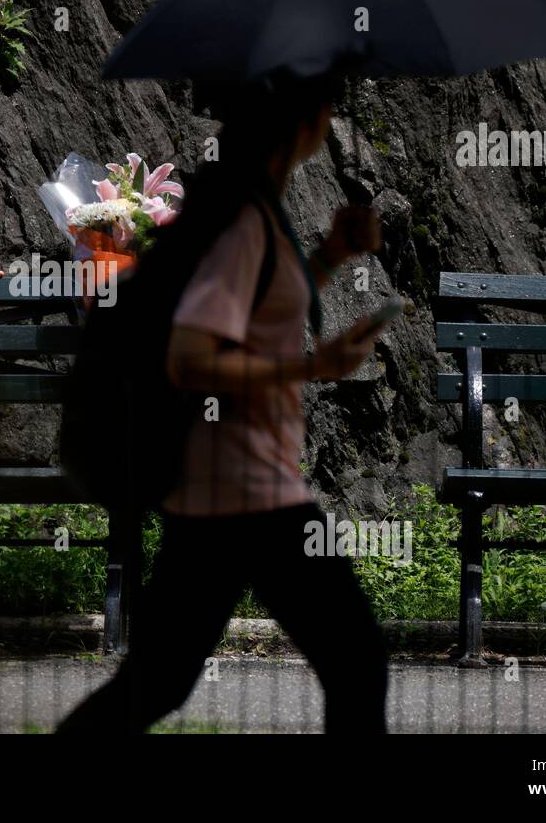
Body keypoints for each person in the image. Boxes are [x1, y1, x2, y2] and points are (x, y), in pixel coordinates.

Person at [56, 74, 391, 733]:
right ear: (307, 123)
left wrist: (329, 254)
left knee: (155, 685)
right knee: (357, 660)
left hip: (223, 494)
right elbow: (192, 359)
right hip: (248, 492)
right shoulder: (242, 220)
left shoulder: (253, 209)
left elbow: (254, 311)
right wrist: (311, 366)